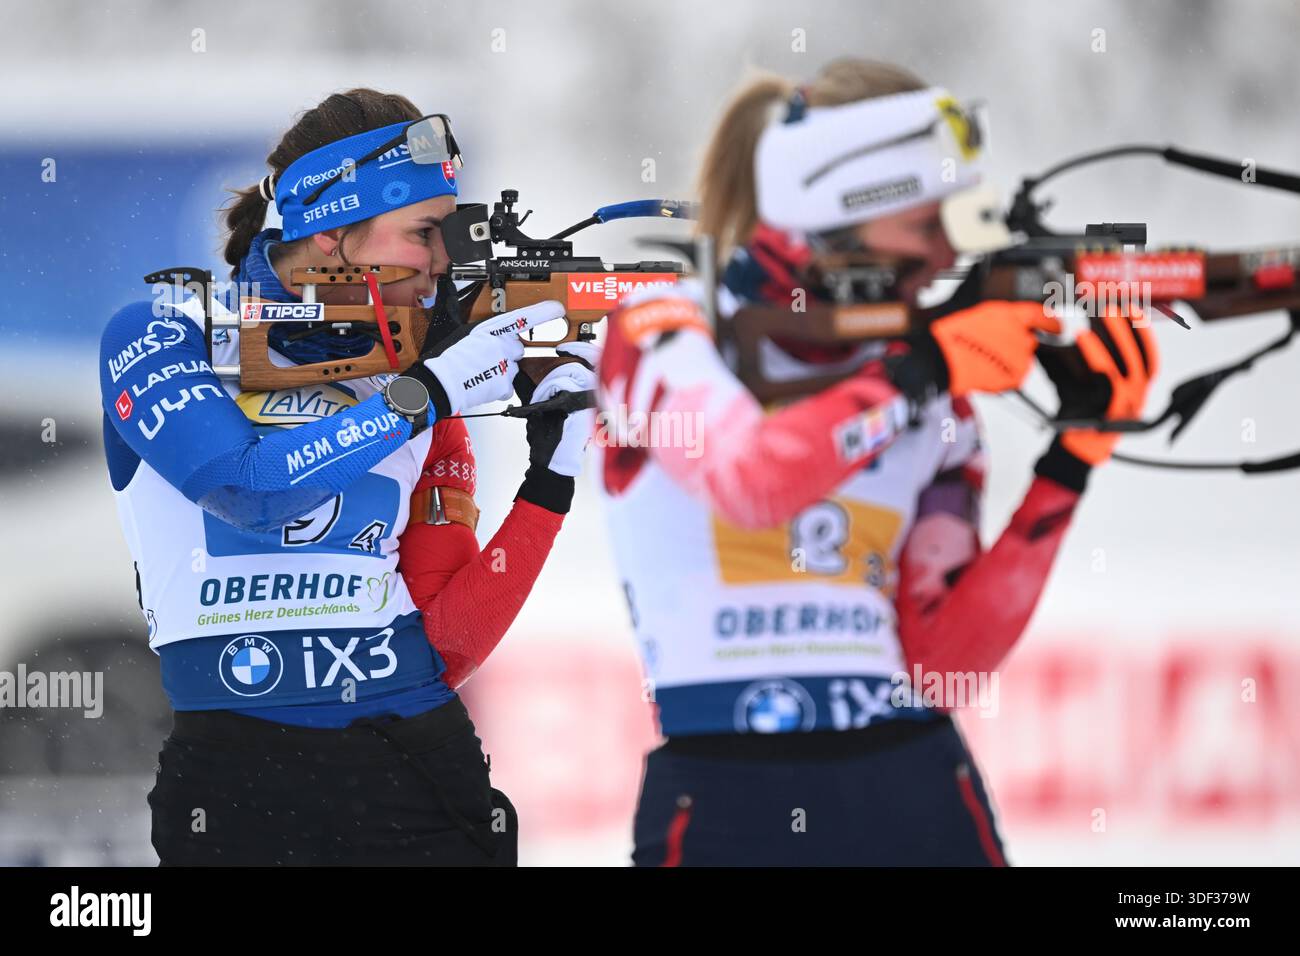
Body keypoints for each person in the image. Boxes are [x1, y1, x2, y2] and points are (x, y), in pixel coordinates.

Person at [595, 59, 1158, 865]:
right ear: (835, 210)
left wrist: (1071, 463)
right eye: (924, 225)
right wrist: (918, 371)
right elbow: (748, 480)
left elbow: (941, 672)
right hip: (727, 794)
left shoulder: (930, 392)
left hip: (914, 779)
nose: (944, 254)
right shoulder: (665, 324)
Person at [99, 89, 594, 865]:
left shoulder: (420, 376)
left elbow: (446, 645)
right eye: (424, 232)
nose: (442, 261)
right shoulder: (163, 332)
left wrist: (550, 483)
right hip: (234, 783)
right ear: (331, 233)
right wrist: (427, 394)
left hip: (419, 771)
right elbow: (247, 491)